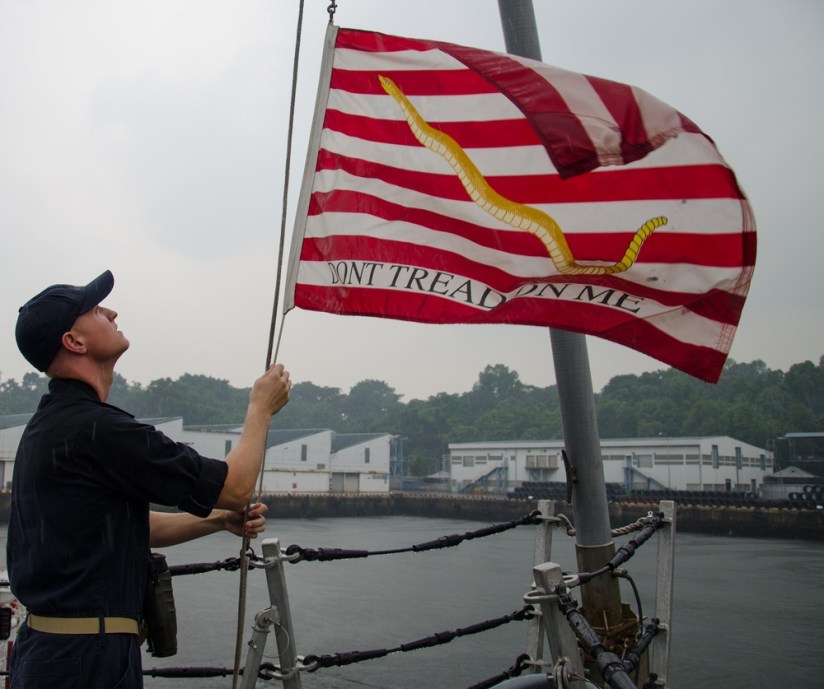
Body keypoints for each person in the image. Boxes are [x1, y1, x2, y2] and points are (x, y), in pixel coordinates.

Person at [7, 270, 291, 688]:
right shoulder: (99, 430)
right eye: (95, 310)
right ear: (75, 341)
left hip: (49, 653)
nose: (111, 312)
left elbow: (131, 527)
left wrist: (216, 520)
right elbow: (235, 488)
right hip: (87, 661)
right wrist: (260, 408)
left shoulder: (46, 427)